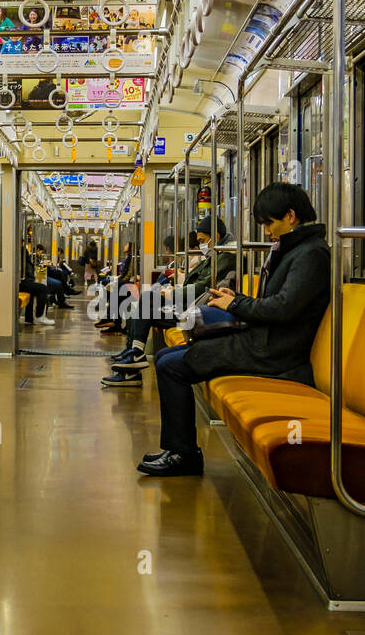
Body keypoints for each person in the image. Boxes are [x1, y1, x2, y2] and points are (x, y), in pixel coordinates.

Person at [137, 184, 330, 477]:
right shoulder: (295, 250)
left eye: (269, 223)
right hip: (262, 340)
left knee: (172, 366)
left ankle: (183, 454)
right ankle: (178, 448)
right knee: (166, 357)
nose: (267, 232)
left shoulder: (310, 254)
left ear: (290, 216)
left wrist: (235, 303)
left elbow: (283, 307)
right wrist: (235, 302)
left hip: (274, 353)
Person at [102, 217, 235, 388]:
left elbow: (203, 287)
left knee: (148, 300)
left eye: (202, 241)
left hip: (196, 311)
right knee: (147, 301)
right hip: (189, 306)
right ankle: (132, 354)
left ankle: (133, 357)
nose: (201, 245)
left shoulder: (225, 259)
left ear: (215, 236)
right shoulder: (215, 257)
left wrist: (172, 295)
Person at [21, 242, 51, 326]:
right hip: (22, 282)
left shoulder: (22, 253)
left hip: (25, 281)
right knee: (43, 289)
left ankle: (29, 319)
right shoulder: (23, 253)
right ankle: (39, 316)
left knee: (31, 291)